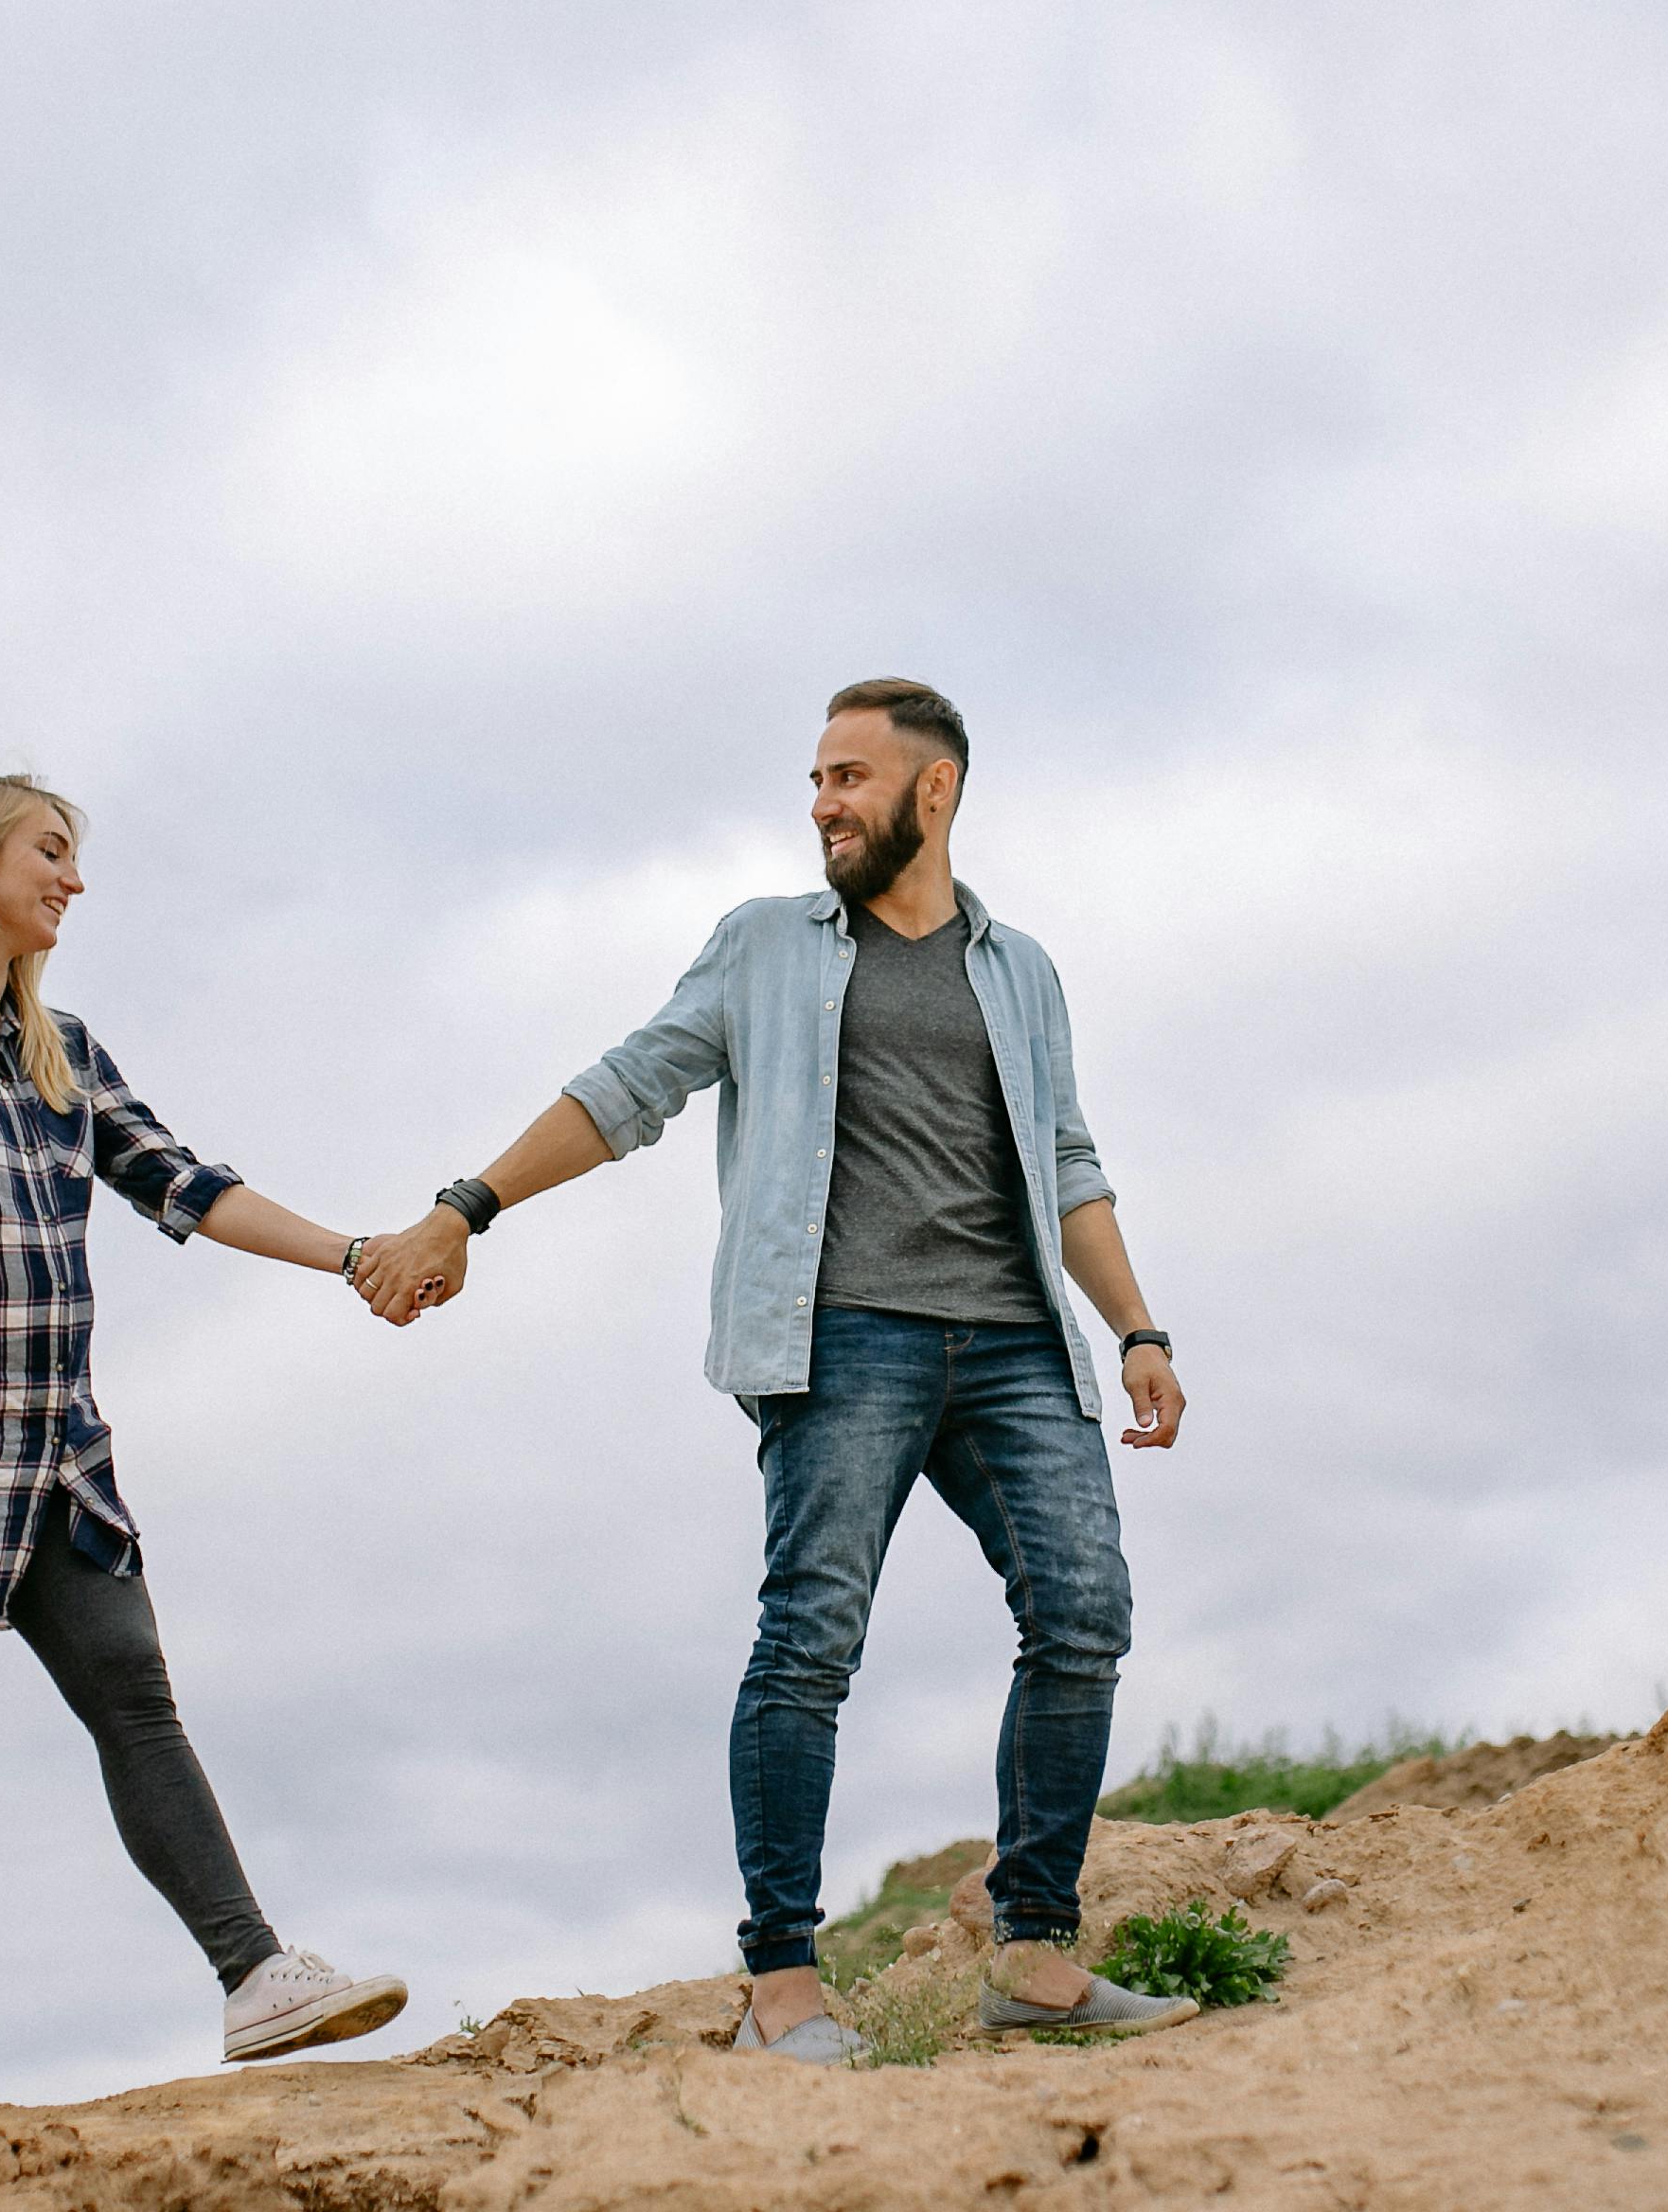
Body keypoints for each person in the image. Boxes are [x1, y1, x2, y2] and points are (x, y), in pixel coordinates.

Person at [355, 680, 1197, 2062]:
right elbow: (627, 1089)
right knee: (810, 1640)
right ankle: (783, 1981)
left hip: (1012, 1343)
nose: (822, 804)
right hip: (837, 1336)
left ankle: (1034, 1951)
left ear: (935, 793)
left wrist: (1138, 1328)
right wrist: (467, 1206)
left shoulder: (1021, 968)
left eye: (851, 778)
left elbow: (1070, 1162)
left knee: (1087, 1612)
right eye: (815, 778)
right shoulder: (763, 948)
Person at [0, 774, 405, 2123]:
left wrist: (349, 1254)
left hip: (57, 1454)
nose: (74, 880)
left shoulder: (59, 1050)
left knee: (135, 1695)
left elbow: (185, 1183)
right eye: (50, 852)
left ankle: (254, 1977)